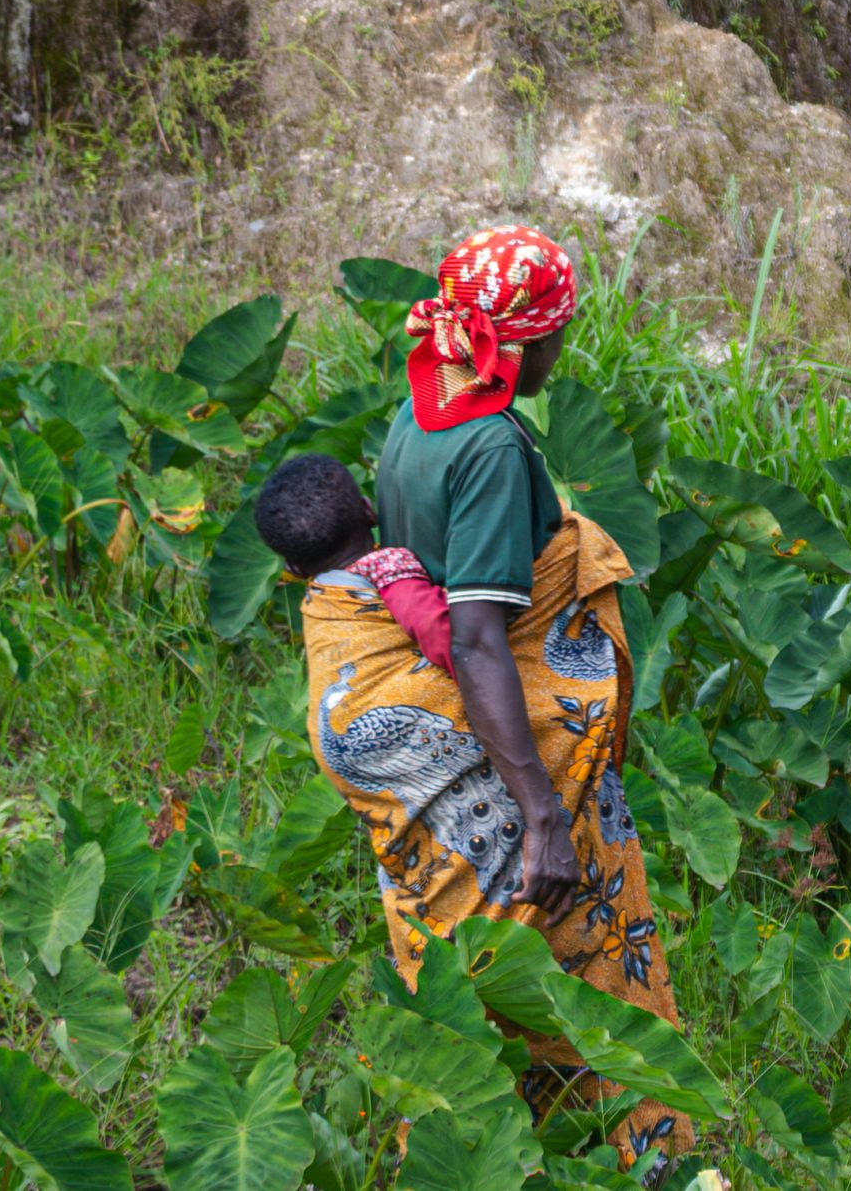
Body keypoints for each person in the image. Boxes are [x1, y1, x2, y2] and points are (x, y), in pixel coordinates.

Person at [254, 223, 687, 1167]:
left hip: (462, 692)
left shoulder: (429, 397)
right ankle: (629, 1162)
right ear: (526, 341)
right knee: (573, 977)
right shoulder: (488, 443)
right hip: (503, 729)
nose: (564, 351)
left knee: (485, 984)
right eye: (558, 334)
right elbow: (482, 639)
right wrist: (539, 811)